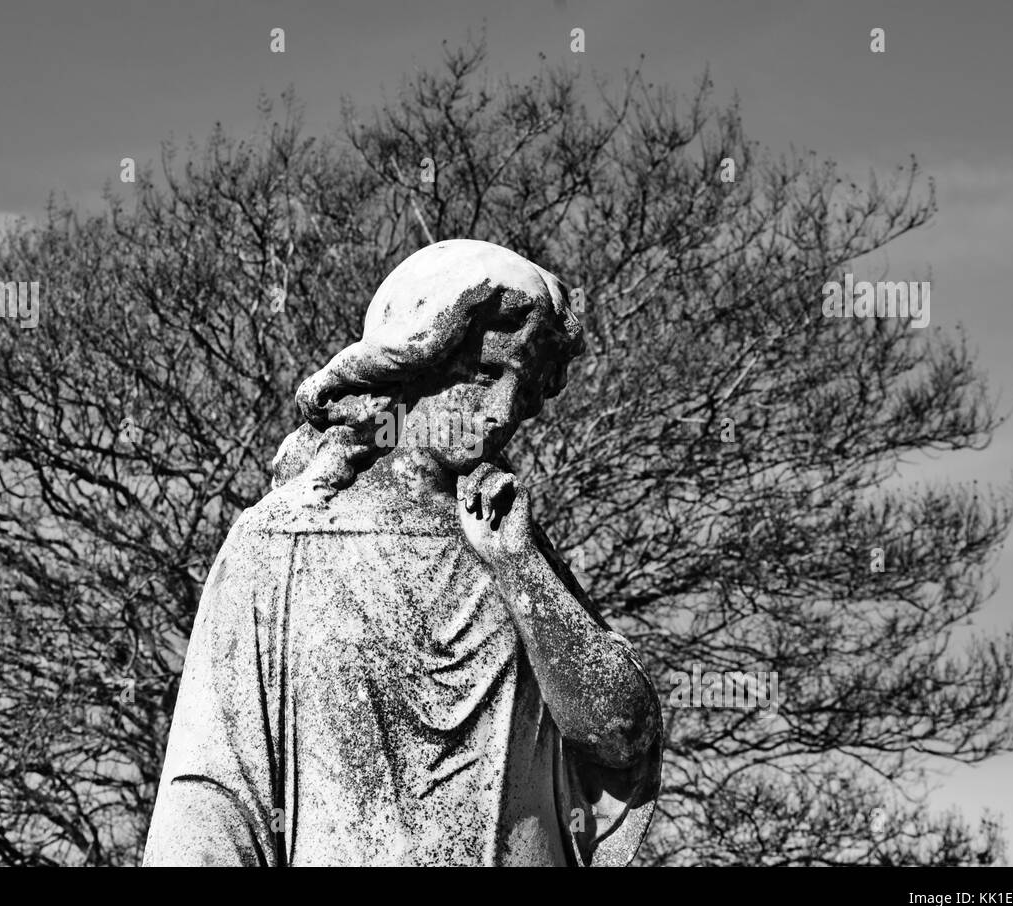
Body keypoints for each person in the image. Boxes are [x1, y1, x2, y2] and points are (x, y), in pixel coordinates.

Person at [144, 239, 662, 866]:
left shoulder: (511, 544)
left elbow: (621, 738)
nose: (501, 413)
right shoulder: (279, 546)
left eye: (522, 392)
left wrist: (519, 569)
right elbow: (213, 797)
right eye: (484, 376)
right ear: (412, 362)